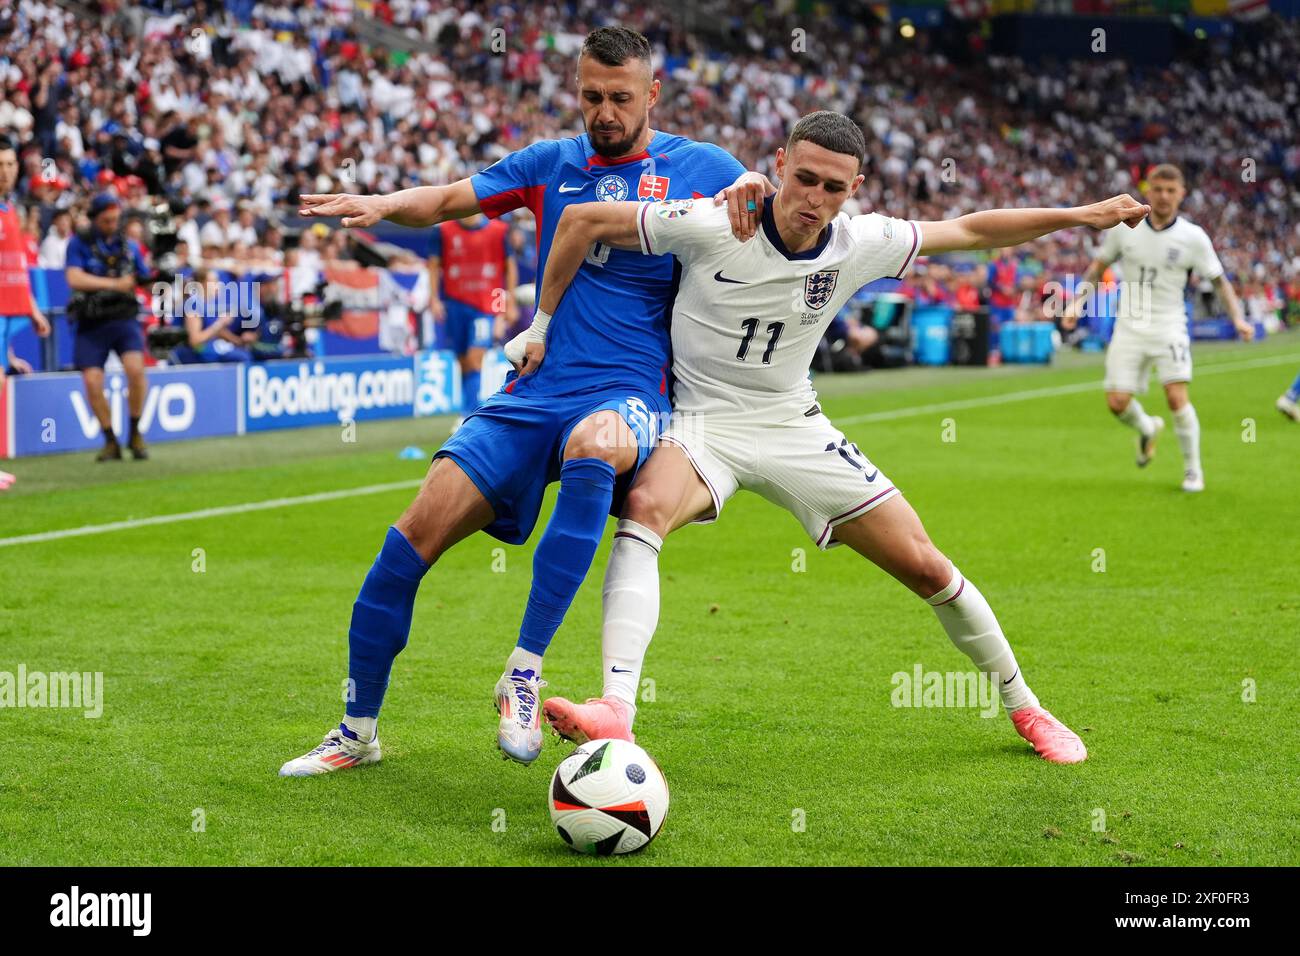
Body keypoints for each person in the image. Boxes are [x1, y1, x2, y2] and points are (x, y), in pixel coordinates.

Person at [525, 111, 1150, 764]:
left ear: (855, 188)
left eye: (832, 187)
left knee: (926, 565)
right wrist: (541, 325)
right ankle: (617, 709)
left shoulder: (861, 241)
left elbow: (971, 229)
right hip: (704, 423)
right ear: (779, 164)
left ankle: (1027, 707)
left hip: (794, 426)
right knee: (645, 509)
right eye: (804, 178)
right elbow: (586, 220)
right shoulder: (715, 222)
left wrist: (1082, 216)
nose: (814, 198)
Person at [277, 26, 769, 776]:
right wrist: (382, 202)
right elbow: (449, 199)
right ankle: (356, 731)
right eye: (591, 96)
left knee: (597, 444)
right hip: (534, 388)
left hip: (629, 389)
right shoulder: (550, 162)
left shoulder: (701, 167)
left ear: (652, 93)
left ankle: (524, 671)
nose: (604, 112)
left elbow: (764, 207)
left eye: (620, 98)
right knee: (408, 542)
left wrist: (754, 185)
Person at [1062, 164, 1252, 493]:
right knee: (1117, 402)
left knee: (1176, 397)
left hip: (1169, 325)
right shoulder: (1123, 229)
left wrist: (1238, 318)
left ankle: (1193, 470)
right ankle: (1148, 428)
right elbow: (1097, 267)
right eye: (1158, 189)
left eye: (1170, 190)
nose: (1163, 196)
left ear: (1181, 194)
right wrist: (1077, 303)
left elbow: (1219, 282)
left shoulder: (1193, 237)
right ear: (1147, 191)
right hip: (1129, 326)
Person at [65, 192, 152, 461]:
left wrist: (157, 277)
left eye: (115, 220)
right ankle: (110, 440)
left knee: (136, 370)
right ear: (94, 218)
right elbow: (74, 278)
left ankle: (135, 433)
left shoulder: (129, 245)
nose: (112, 225)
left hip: (123, 317)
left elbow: (143, 278)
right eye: (106, 220)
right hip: (91, 319)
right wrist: (115, 284)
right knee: (92, 381)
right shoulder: (78, 243)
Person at [426, 211, 516, 417]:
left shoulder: (499, 230)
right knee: (463, 361)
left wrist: (504, 307)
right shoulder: (443, 231)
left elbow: (509, 268)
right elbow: (433, 266)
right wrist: (434, 299)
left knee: (475, 359)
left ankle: (469, 414)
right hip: (455, 304)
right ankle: (469, 409)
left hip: (485, 307)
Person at [0, 137, 52, 432]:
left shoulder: (10, 209)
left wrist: (32, 309)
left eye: (10, 164)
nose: (5, 171)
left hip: (7, 312)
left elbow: (13, 268)